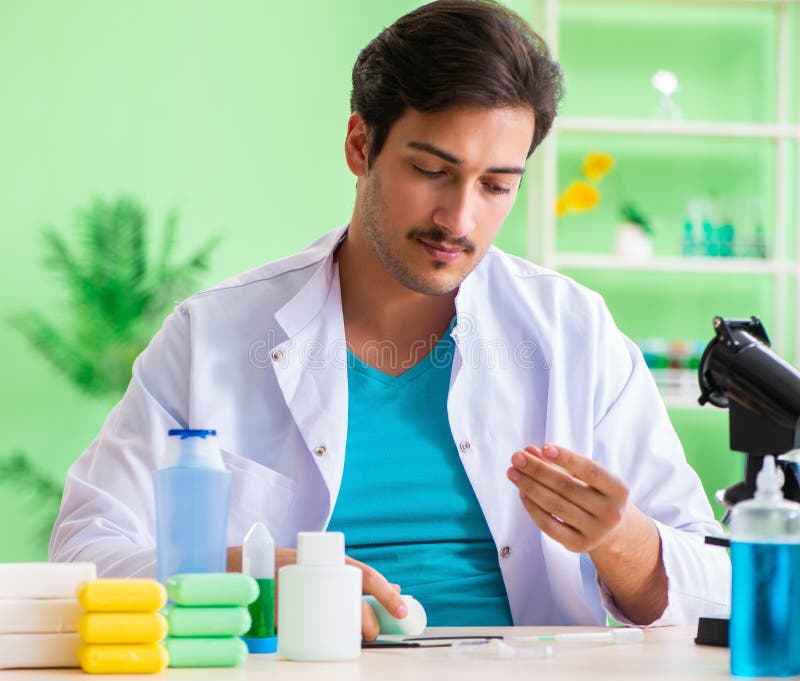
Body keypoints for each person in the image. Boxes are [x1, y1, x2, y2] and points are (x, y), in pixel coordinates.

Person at [50, 0, 730, 639]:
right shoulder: (214, 336)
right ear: (359, 146)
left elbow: (717, 585)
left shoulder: (573, 329)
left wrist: (620, 539)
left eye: (497, 185)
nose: (460, 219)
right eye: (433, 170)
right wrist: (251, 577)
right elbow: (84, 550)